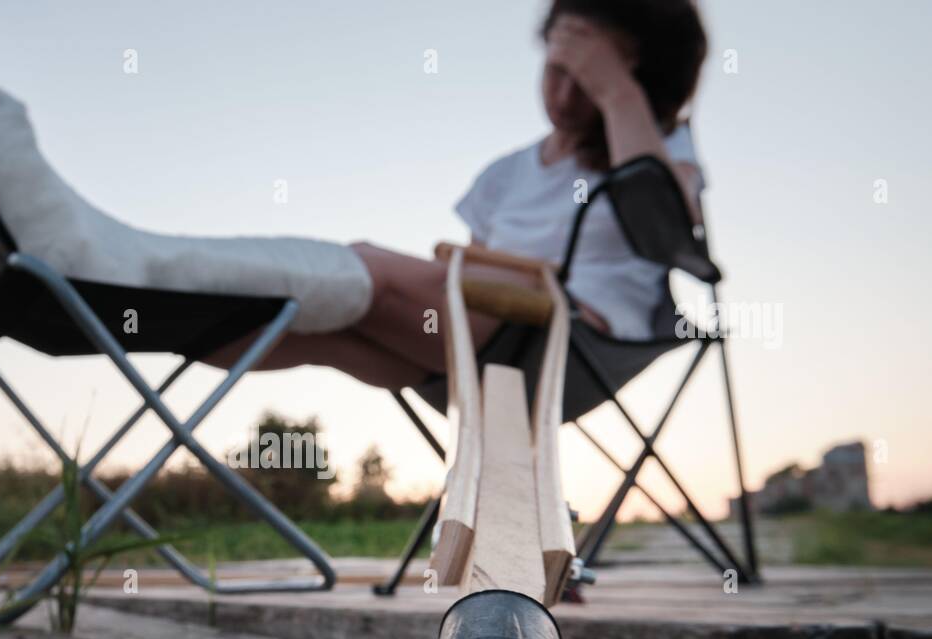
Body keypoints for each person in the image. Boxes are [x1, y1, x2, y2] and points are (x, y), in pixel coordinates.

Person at [204, 0, 709, 390]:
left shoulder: (657, 147)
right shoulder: (504, 174)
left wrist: (618, 92)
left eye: (588, 81)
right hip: (483, 345)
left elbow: (664, 235)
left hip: (576, 343)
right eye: (557, 71)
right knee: (314, 326)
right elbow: (471, 270)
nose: (564, 97)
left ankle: (192, 276)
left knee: (367, 271)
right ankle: (173, 310)